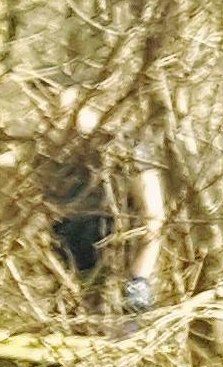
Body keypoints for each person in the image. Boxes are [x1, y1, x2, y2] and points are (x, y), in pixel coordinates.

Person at [38, 92, 163, 315]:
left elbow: (153, 215)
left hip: (123, 258)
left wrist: (138, 279)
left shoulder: (126, 148)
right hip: (73, 265)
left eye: (65, 113)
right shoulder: (51, 155)